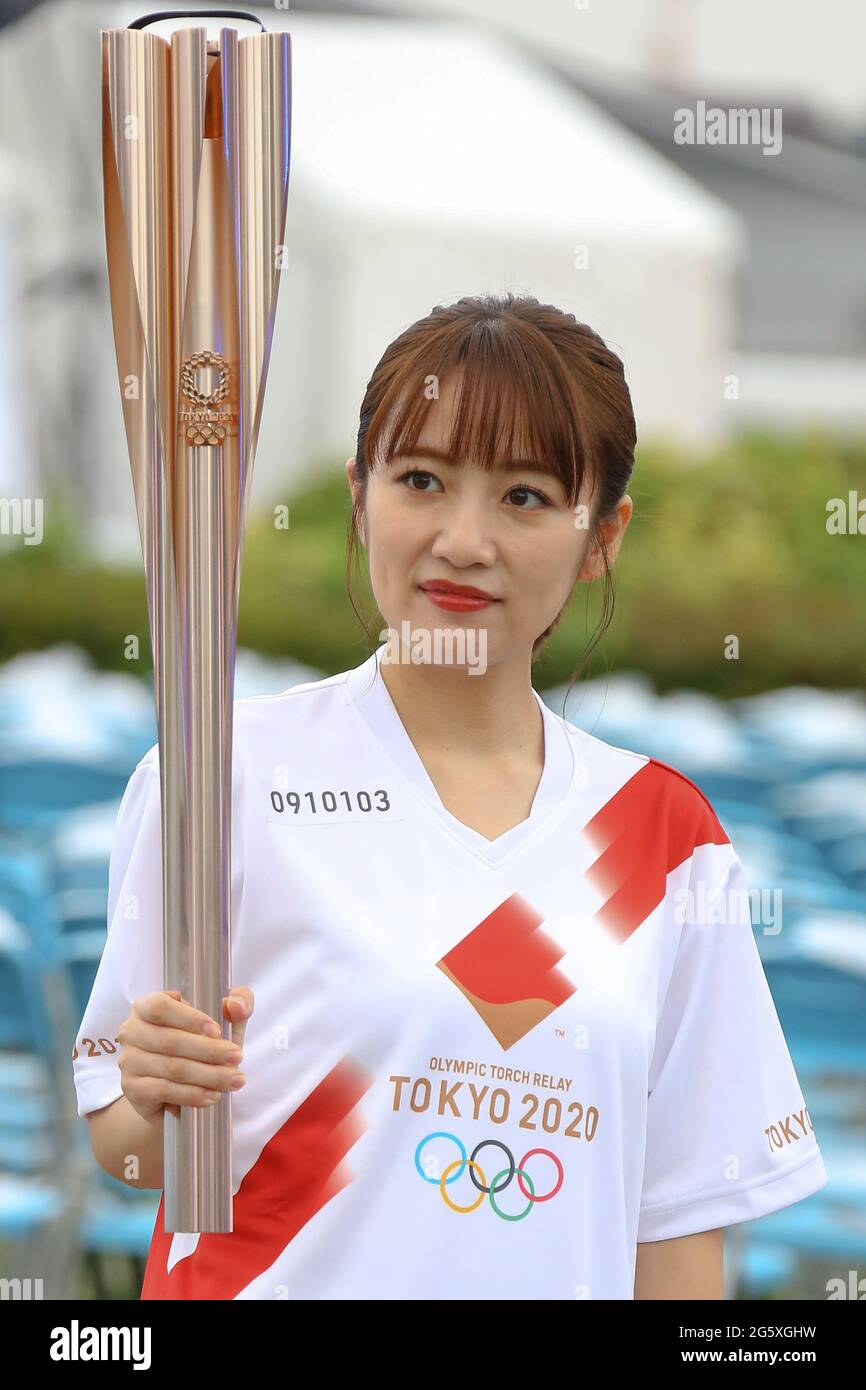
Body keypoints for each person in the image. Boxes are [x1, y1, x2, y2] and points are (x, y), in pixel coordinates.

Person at [73, 292, 828, 1300]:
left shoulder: (662, 841)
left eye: (522, 496)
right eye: (421, 479)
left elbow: (681, 1224)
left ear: (601, 533)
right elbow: (134, 1156)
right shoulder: (220, 775)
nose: (462, 540)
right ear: (358, 493)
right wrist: (151, 1098)